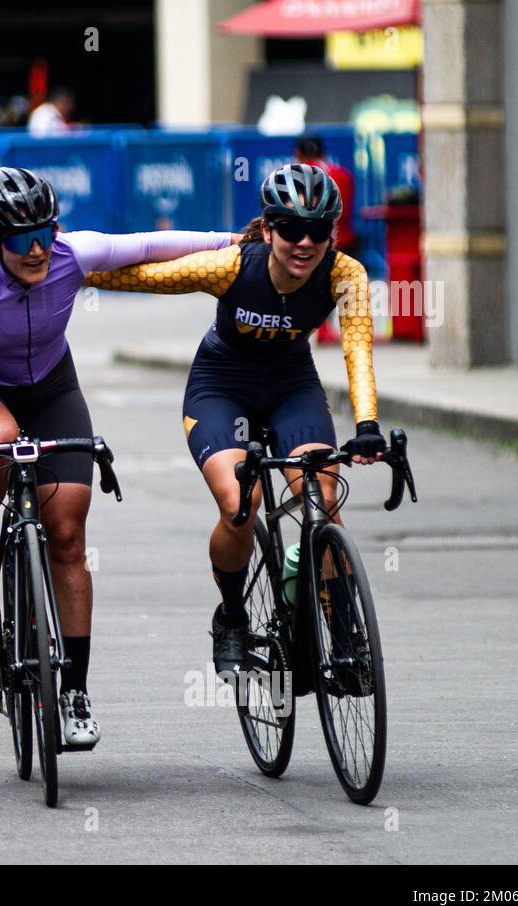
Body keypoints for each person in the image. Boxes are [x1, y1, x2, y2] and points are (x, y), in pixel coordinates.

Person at [0, 167, 238, 748]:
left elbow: (147, 244)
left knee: (67, 534)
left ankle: (73, 692)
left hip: (54, 388)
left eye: (46, 232)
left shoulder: (71, 254)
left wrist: (231, 241)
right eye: (21, 239)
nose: (38, 249)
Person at [84, 163, 384, 678]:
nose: (305, 242)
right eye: (290, 228)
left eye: (319, 230)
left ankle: (341, 633)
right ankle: (232, 617)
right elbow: (148, 277)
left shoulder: (345, 274)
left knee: (324, 503)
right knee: (240, 505)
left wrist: (367, 424)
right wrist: (72, 268)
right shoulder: (230, 267)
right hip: (221, 388)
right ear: (268, 230)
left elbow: (358, 351)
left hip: (293, 389)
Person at [295, 136, 356, 254]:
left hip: (315, 248)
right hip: (345, 246)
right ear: (323, 152)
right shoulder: (344, 174)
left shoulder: (299, 176)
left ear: (298, 154)